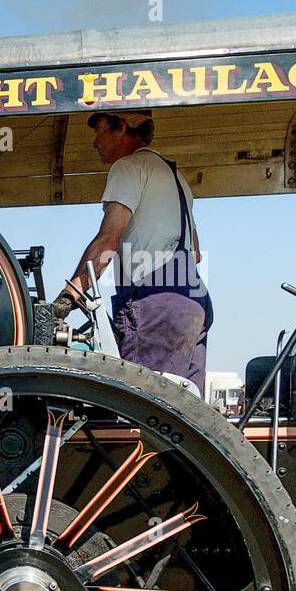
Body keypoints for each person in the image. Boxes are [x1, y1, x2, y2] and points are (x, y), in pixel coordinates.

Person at [56, 109, 211, 392]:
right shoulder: (177, 180)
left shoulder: (128, 167)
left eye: (99, 131)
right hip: (193, 303)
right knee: (184, 415)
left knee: (145, 409)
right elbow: (196, 254)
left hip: (157, 305)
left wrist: (67, 299)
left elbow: (108, 241)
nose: (95, 142)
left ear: (121, 128)